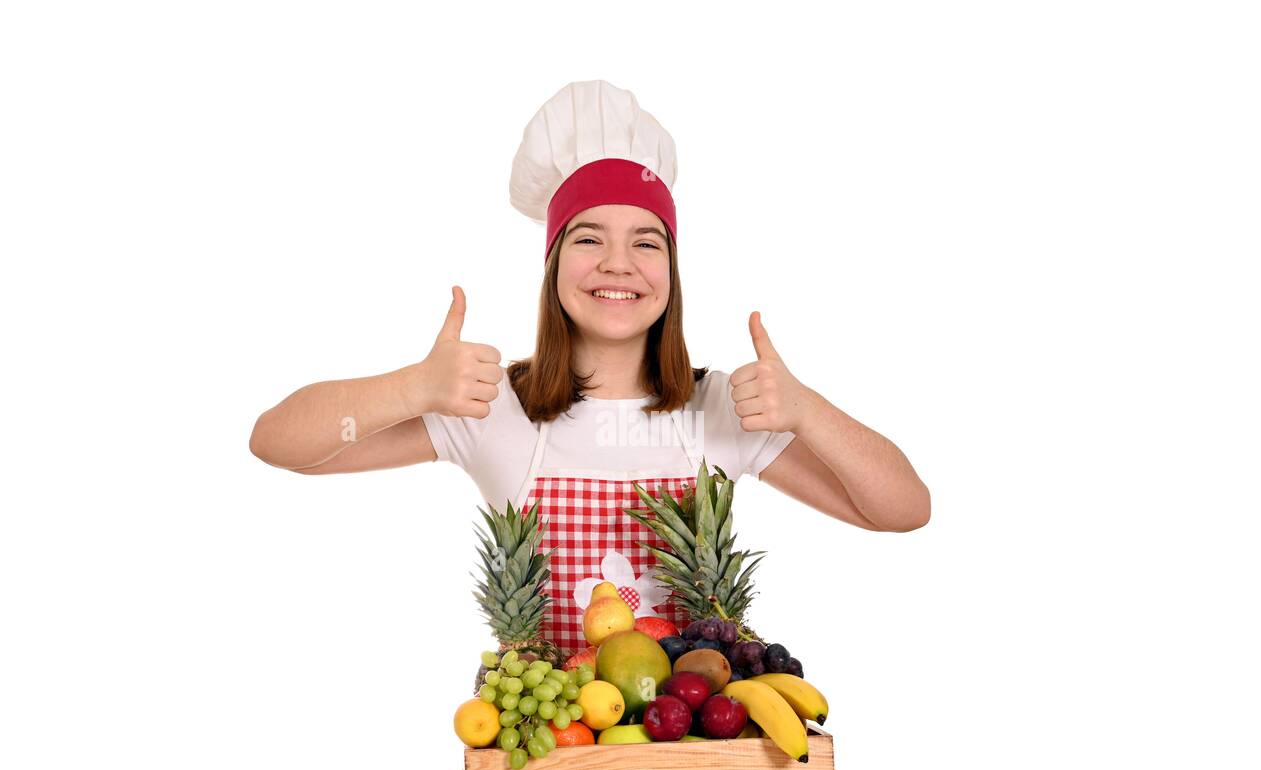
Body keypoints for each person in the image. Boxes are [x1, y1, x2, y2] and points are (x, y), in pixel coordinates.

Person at [249, 79, 929, 657]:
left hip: (692, 762)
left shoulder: (718, 408)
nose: (617, 264)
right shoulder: (494, 408)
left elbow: (902, 509)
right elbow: (279, 442)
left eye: (645, 241)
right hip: (548, 769)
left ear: (670, 270)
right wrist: (414, 388)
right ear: (553, 266)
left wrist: (807, 409)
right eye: (587, 238)